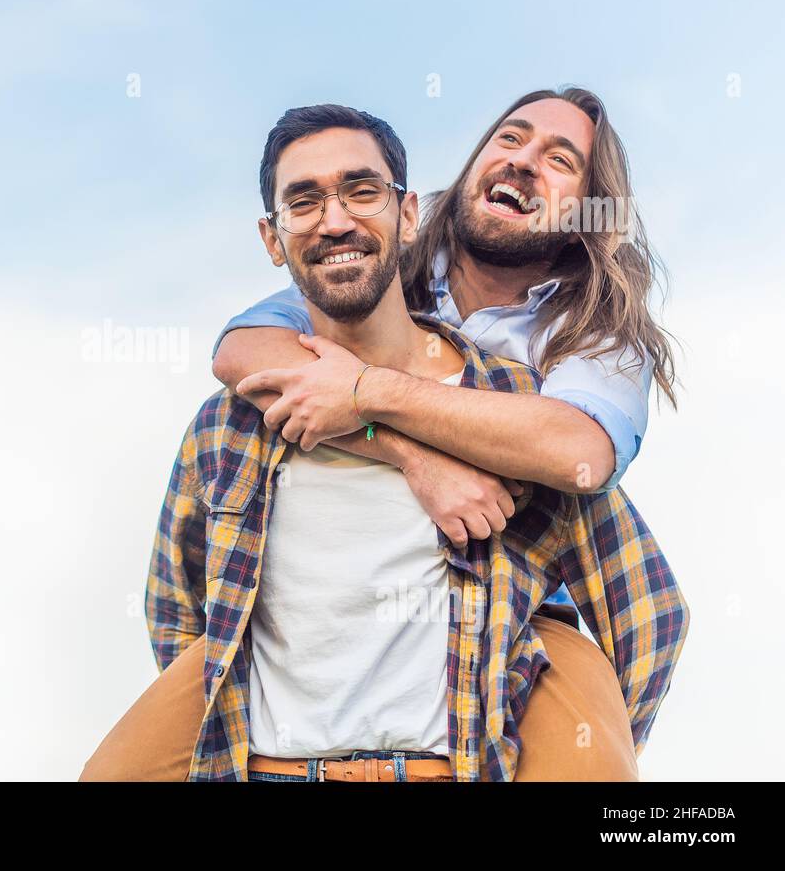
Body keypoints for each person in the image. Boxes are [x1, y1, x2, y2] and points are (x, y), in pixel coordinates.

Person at [80, 103, 688, 782]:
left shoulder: (592, 333)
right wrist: (412, 455)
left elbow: (581, 453)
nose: (522, 158)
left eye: (559, 158)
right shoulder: (374, 270)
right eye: (510, 137)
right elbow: (243, 353)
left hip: (518, 603)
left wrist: (370, 392)